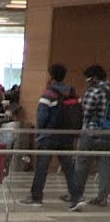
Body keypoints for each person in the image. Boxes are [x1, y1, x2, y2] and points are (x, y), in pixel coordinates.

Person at [21, 63, 81, 207]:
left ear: (51, 75)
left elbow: (42, 116)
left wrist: (39, 133)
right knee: (68, 167)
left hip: (49, 136)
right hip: (66, 135)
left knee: (42, 167)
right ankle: (76, 196)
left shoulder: (49, 93)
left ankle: (36, 197)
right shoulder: (72, 92)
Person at [69, 64, 110, 210]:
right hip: (107, 133)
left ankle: (76, 194)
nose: (87, 80)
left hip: (91, 132)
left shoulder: (94, 91)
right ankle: (102, 197)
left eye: (88, 77)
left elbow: (85, 111)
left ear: (95, 77)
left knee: (82, 163)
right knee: (105, 164)